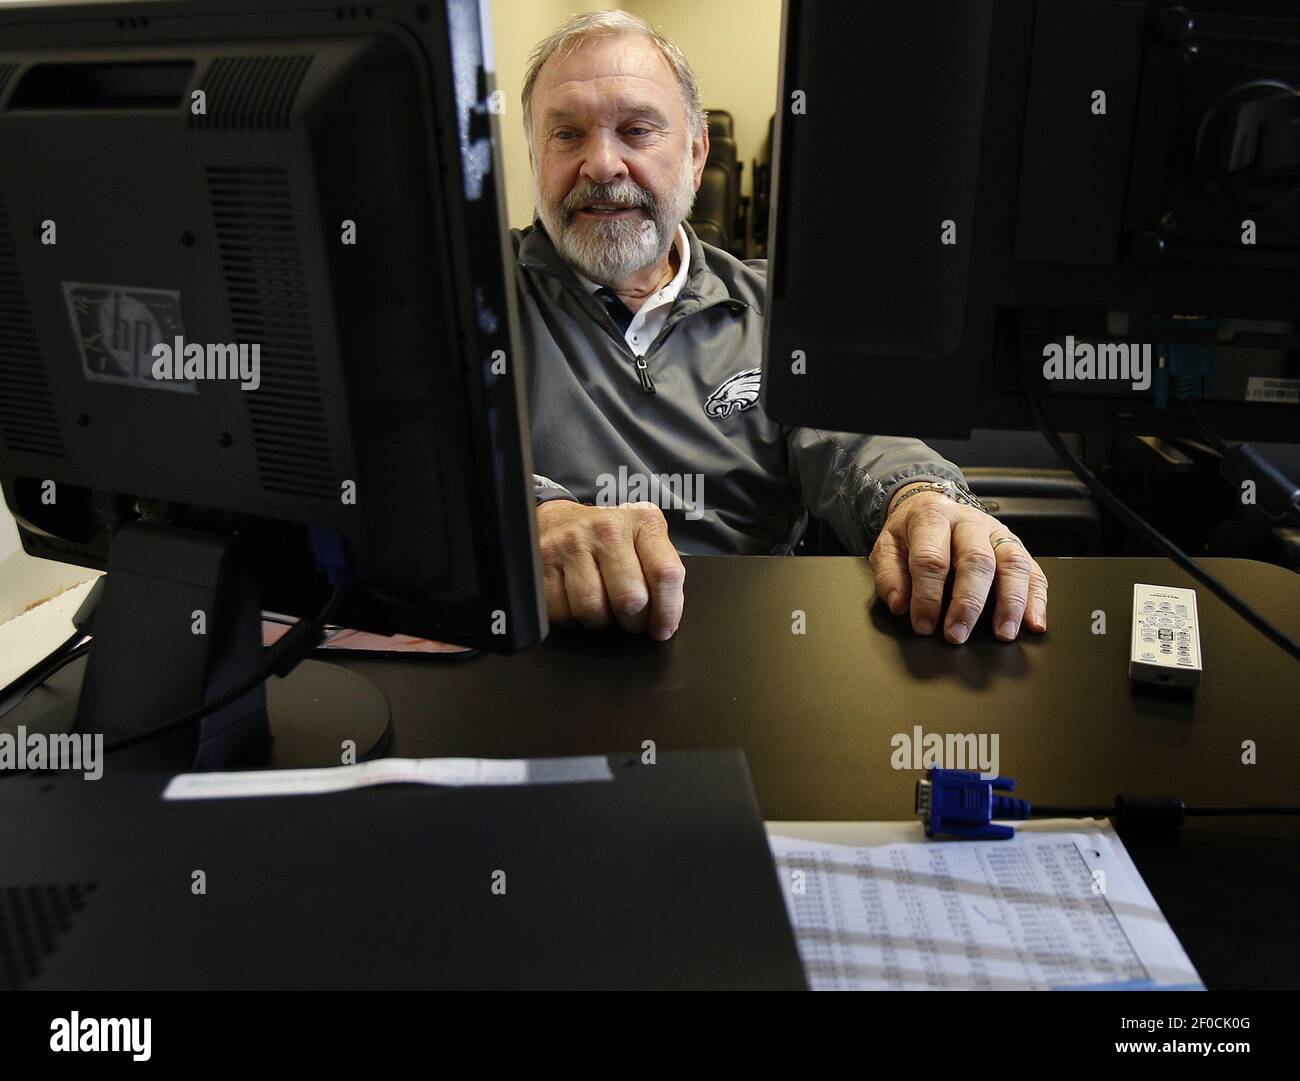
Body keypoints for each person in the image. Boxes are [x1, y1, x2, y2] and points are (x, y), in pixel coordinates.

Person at [515, 10, 1049, 645]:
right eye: (567, 135)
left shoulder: (779, 306)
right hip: (537, 652)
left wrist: (921, 498)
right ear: (534, 155)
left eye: (636, 131)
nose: (602, 164)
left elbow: (861, 438)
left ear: (695, 152)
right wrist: (530, 513)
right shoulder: (474, 301)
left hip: (747, 654)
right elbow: (416, 450)